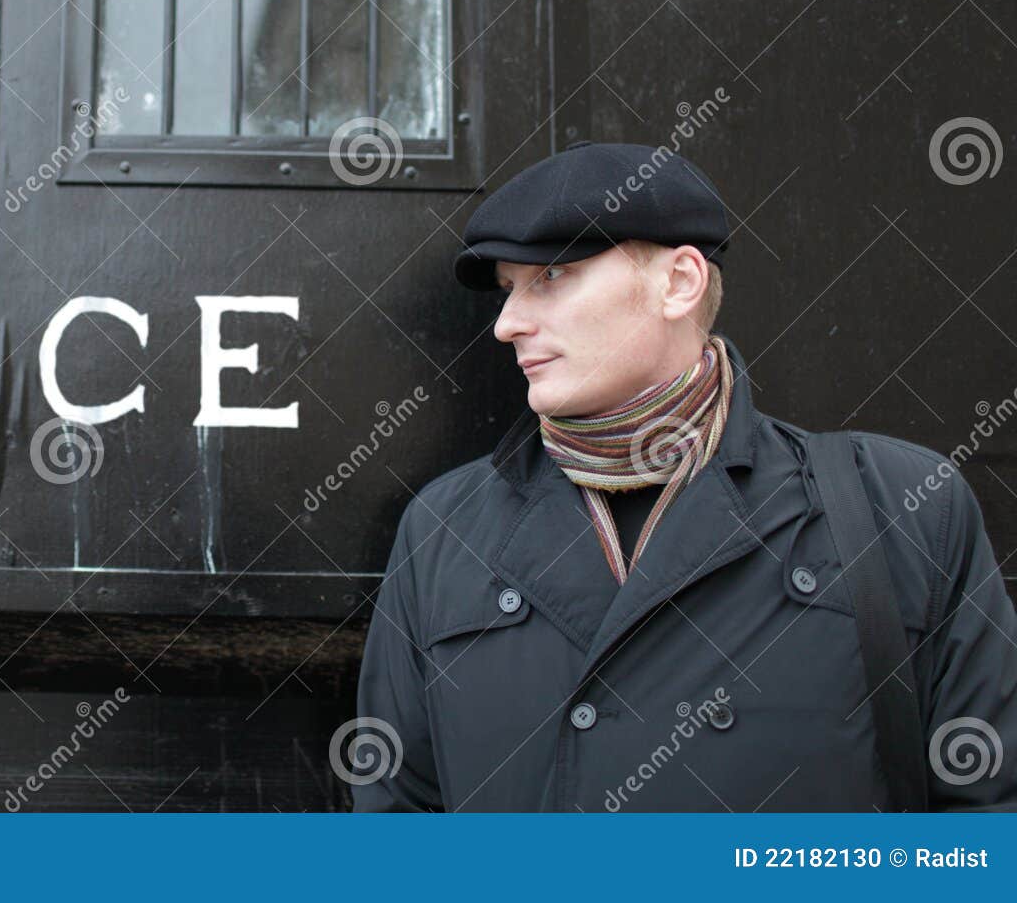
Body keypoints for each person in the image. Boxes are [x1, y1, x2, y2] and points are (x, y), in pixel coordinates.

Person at [352, 140, 1017, 811]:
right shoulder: (444, 529)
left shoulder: (900, 506)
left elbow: (985, 823)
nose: (507, 324)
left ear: (678, 283)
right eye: (508, 290)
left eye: (550, 276)